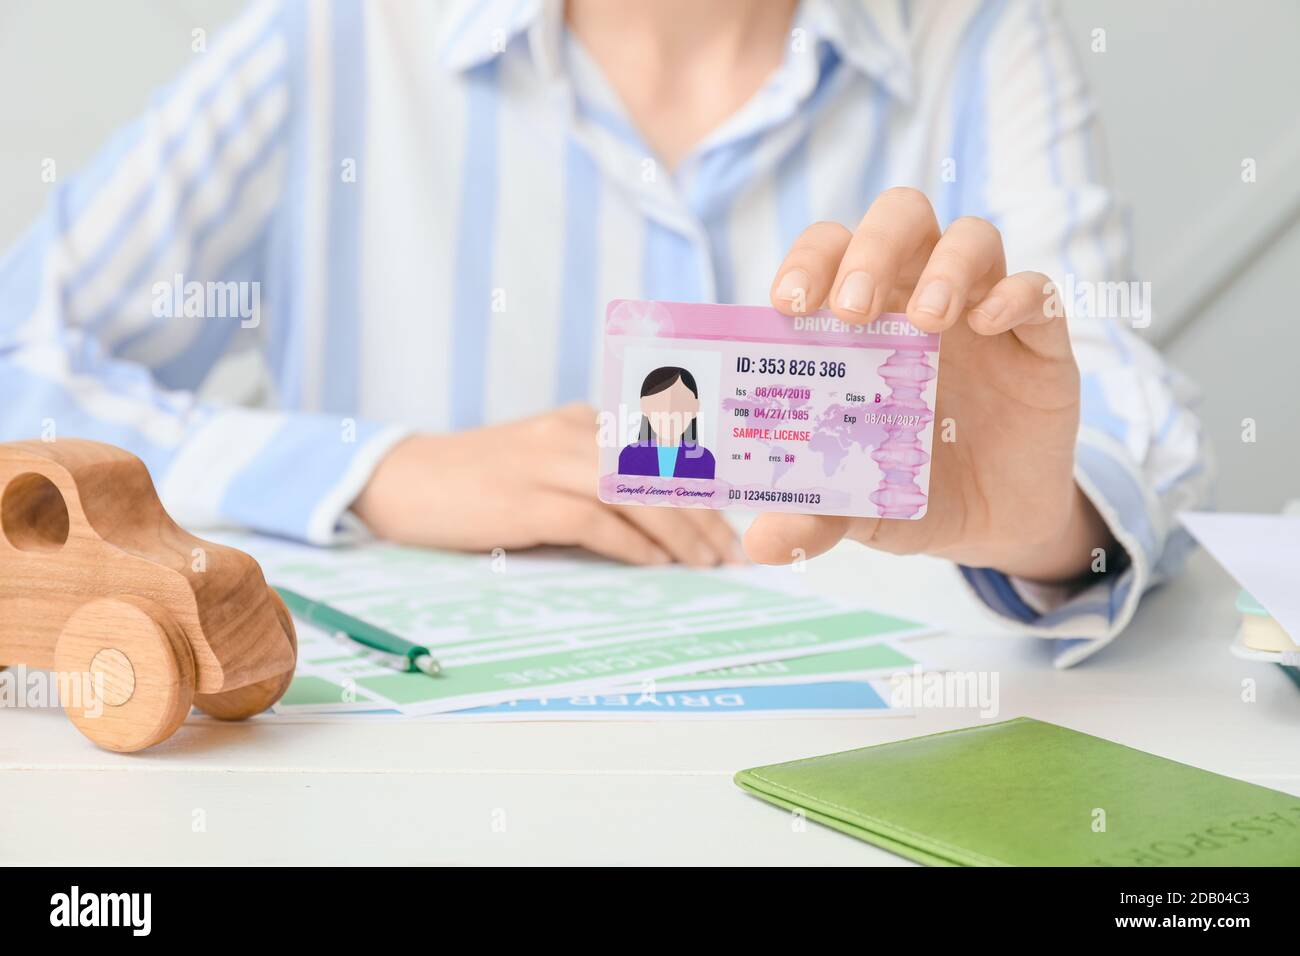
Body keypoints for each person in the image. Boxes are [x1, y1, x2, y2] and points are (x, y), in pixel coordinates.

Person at [0, 0, 1209, 665]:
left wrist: (1047, 522)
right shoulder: (330, 34)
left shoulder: (985, 41)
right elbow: (18, 365)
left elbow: (1114, 401)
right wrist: (376, 466)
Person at [618, 366, 716, 479]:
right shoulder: (630, 456)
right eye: (659, 403)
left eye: (680, 403)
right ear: (644, 406)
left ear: (695, 407)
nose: (669, 412)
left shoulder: (704, 460)